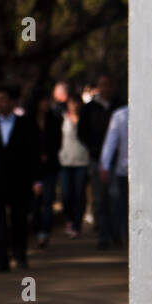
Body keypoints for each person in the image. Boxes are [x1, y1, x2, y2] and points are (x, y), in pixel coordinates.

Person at [0, 84, 40, 272]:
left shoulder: (25, 123)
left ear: (13, 102)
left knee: (19, 219)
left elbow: (33, 153)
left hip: (20, 181)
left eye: (4, 99)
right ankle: (0, 260)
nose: (0, 103)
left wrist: (37, 179)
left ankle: (20, 255)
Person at [78, 74, 119, 249]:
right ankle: (103, 235)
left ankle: (116, 233)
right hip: (96, 159)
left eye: (108, 85)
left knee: (115, 197)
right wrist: (94, 148)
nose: (106, 89)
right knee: (100, 198)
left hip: (118, 161)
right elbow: (82, 132)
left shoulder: (120, 106)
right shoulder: (89, 109)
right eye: (102, 86)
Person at [30, 89, 62, 247]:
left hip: (50, 167)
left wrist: (48, 154)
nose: (46, 104)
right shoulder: (29, 121)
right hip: (33, 169)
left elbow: (57, 142)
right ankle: (37, 231)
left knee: (48, 201)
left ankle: (44, 232)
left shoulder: (54, 120)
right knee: (35, 203)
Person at [58, 94, 90, 236]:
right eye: (72, 103)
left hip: (82, 161)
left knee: (79, 194)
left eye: (77, 103)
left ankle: (76, 225)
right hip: (65, 161)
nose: (74, 106)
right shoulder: (61, 118)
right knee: (65, 194)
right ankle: (69, 219)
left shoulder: (85, 119)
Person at [100, 103, 129, 247]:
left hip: (123, 168)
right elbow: (110, 142)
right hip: (130, 169)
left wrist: (105, 165)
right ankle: (123, 235)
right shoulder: (120, 115)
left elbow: (110, 142)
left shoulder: (120, 115)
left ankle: (120, 235)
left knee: (120, 205)